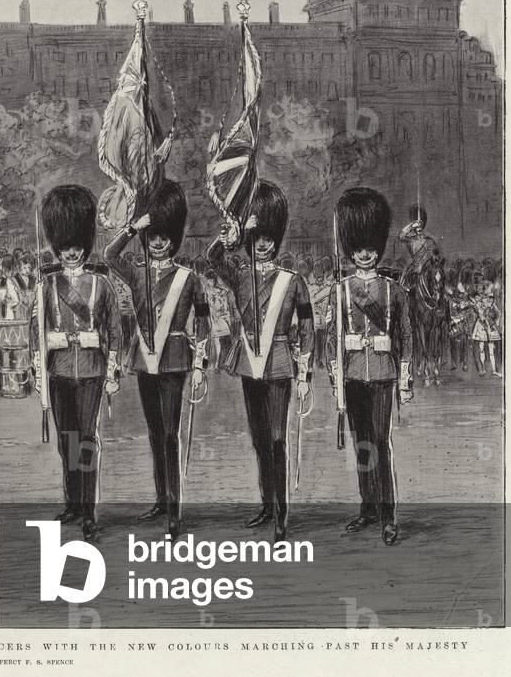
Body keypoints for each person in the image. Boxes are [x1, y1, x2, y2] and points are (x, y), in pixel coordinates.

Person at [207, 181, 315, 542]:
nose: (264, 242)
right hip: (249, 363)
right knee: (258, 439)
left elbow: (308, 328)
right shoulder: (239, 274)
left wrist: (305, 374)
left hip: (281, 361)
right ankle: (267, 504)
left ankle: (282, 514)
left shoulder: (293, 281)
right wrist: (229, 236)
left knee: (277, 438)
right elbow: (212, 258)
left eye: (269, 236)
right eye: (258, 236)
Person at [105, 179, 210, 536]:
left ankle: (175, 510)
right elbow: (108, 256)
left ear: (173, 237)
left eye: (164, 236)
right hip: (145, 358)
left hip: (177, 358)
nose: (159, 242)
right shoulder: (135, 272)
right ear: (146, 238)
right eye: (153, 236)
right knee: (154, 433)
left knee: (169, 434)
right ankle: (162, 499)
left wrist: (200, 365)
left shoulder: (190, 278)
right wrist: (133, 226)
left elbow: (205, 323)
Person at [30, 184, 122, 542]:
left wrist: (111, 368)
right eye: (65, 246)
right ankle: (72, 502)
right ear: (58, 245)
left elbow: (114, 330)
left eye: (76, 245)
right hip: (59, 371)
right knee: (66, 440)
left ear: (85, 244)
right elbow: (34, 331)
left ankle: (89, 510)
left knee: (86, 440)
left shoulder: (101, 286)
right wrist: (39, 367)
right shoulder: (46, 286)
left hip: (92, 371)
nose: (71, 252)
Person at [327, 187, 414, 546]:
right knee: (361, 442)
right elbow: (333, 336)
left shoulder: (393, 291)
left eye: (370, 247)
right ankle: (368, 508)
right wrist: (335, 376)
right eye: (359, 247)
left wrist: (406, 379)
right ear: (351, 247)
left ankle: (389, 514)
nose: (365, 253)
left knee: (381, 440)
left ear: (377, 247)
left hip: (381, 372)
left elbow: (406, 336)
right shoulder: (341, 290)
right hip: (352, 373)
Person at [471, 279, 502, 378]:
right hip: (481, 327)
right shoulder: (480, 302)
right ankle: (483, 369)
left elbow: (498, 313)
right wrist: (483, 318)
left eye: (491, 297)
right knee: (481, 348)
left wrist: (495, 322)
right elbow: (480, 314)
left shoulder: (492, 304)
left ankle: (494, 371)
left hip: (490, 327)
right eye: (488, 296)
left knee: (491, 349)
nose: (490, 299)